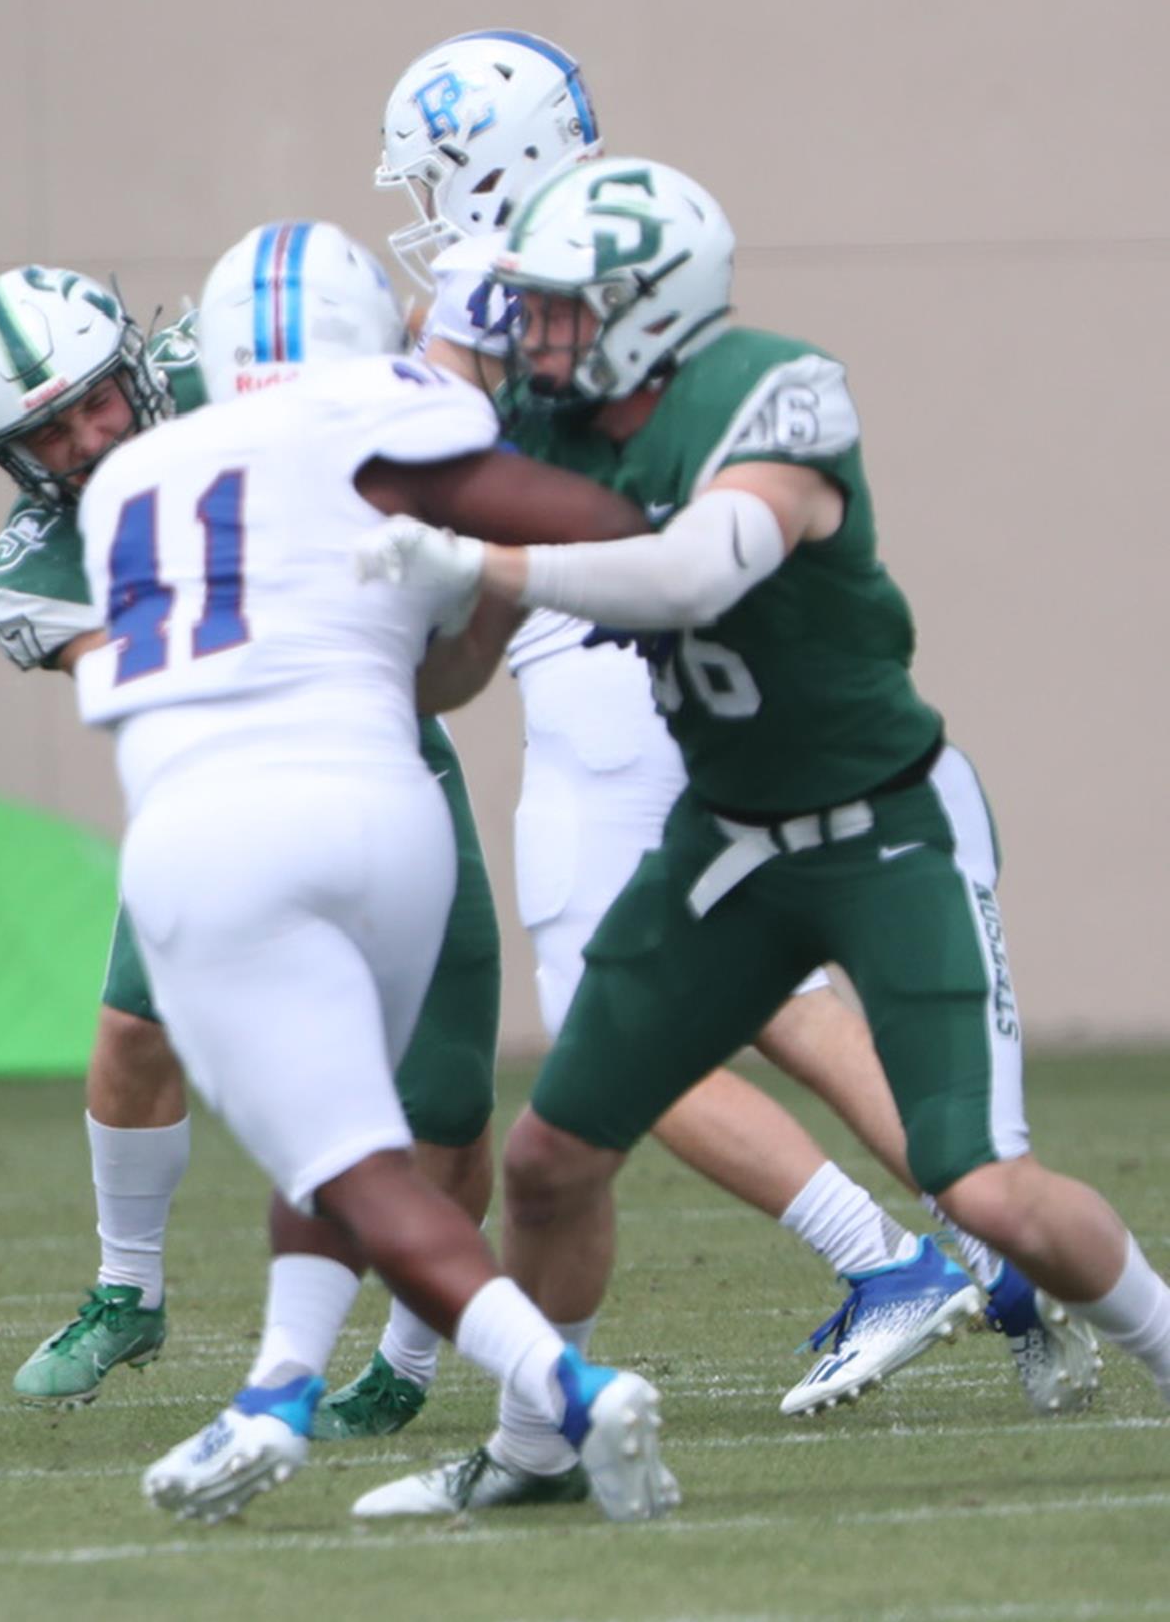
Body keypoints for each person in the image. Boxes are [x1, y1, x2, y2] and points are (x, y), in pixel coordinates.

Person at [354, 160, 1170, 1515]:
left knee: (986, 1183)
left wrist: (485, 559)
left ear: (652, 304)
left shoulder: (777, 391)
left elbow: (699, 568)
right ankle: (538, 1446)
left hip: (887, 828)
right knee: (556, 1154)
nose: (538, 339)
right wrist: (406, 595)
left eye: (566, 311)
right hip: (727, 837)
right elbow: (454, 679)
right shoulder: (551, 436)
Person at [85, 220, 674, 1523]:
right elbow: (478, 636)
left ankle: (570, 1388)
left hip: (220, 824)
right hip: (396, 805)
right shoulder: (403, 403)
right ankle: (277, 1390)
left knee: (350, 1155)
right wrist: (599, 541)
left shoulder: (132, 476)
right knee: (342, 1123)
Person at [0, 268, 506, 1408]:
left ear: (135, 366)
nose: (85, 437)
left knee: (445, 1098)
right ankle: (129, 1288)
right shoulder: (35, 571)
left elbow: (385, 327)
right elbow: (152, 679)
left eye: (96, 401)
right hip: (230, 793)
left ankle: (403, 1361)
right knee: (133, 1029)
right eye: (46, 432)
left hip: (390, 760)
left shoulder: (236, 361)